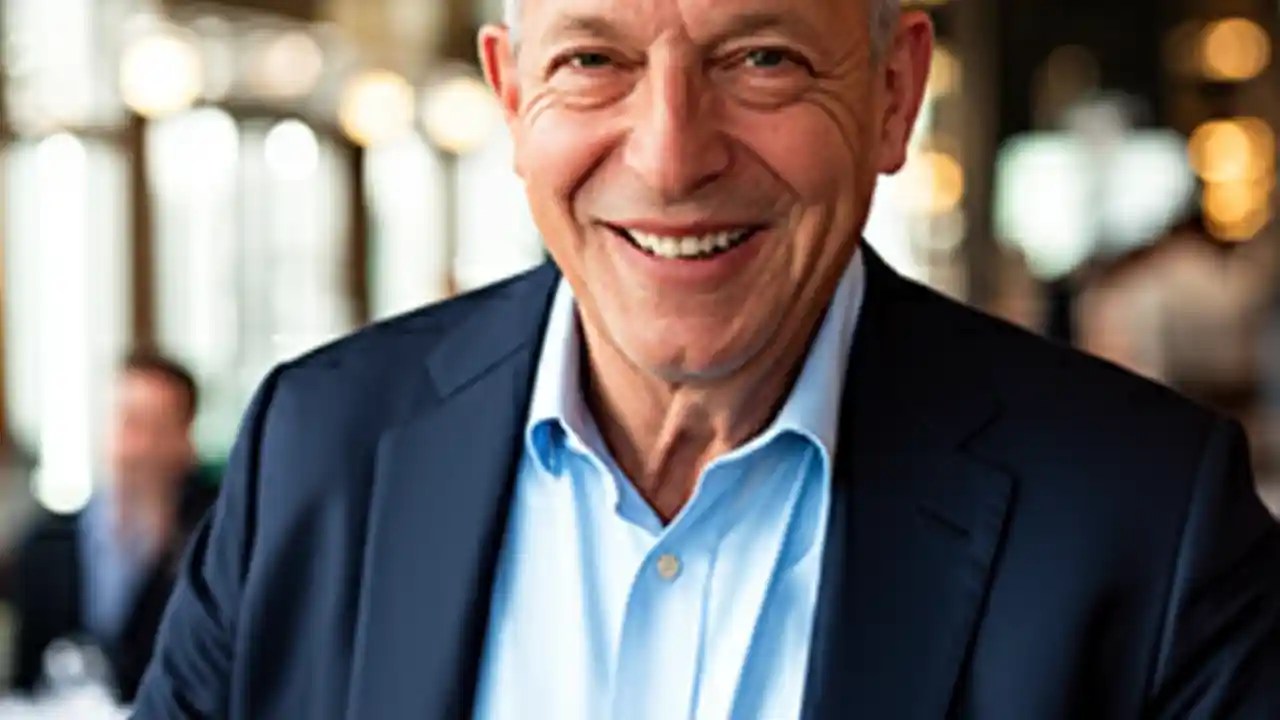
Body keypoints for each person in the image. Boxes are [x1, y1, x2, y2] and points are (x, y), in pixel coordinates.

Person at [134, 0, 1280, 717]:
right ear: (509, 93)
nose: (672, 155)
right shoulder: (317, 449)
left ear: (891, 94)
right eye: (593, 61)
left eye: (763, 58)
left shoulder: (1144, 518)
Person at [9, 351, 213, 703]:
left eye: (158, 428)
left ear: (186, 441)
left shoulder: (212, 545)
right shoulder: (46, 547)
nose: (138, 449)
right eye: (129, 423)